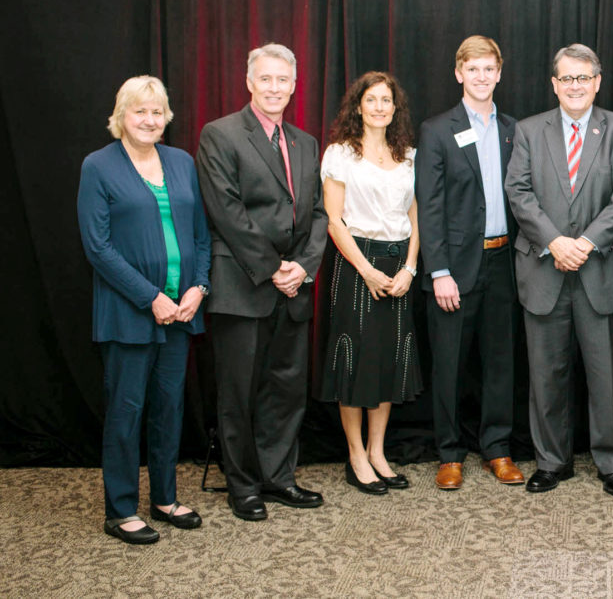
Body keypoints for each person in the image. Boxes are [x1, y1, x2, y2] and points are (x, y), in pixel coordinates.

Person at [504, 43, 613, 496]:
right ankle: (551, 461)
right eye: (567, 78)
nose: (575, 86)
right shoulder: (528, 131)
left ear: (597, 82)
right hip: (544, 269)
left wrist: (583, 243)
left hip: (600, 269)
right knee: (546, 374)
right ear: (554, 84)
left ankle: (612, 462)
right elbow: (519, 192)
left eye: (583, 78)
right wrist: (554, 242)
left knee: (607, 375)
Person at [196, 43, 328, 521]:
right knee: (239, 392)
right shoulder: (221, 135)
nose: (275, 88)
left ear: (294, 85)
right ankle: (244, 486)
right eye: (265, 79)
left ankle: (278, 478)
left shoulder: (305, 142)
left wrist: (303, 267)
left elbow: (318, 214)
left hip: (294, 288)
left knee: (285, 390)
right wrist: (275, 268)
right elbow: (226, 212)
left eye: (283, 80)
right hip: (243, 285)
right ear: (249, 82)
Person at [77, 76, 210, 544]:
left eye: (157, 112)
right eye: (140, 112)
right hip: (130, 311)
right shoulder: (99, 166)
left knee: (169, 407)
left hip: (182, 310)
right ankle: (120, 509)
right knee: (126, 410)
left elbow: (200, 234)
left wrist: (199, 286)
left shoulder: (180, 161)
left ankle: (165, 497)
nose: (150, 120)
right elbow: (97, 247)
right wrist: (150, 297)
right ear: (121, 116)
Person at [416, 36, 524, 490]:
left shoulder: (516, 130)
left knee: (500, 361)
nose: (481, 77)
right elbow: (430, 204)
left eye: (489, 69)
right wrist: (439, 271)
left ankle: (497, 449)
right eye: (472, 69)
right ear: (459, 74)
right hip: (455, 267)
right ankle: (450, 453)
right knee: (449, 362)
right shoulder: (437, 129)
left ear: (499, 74)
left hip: (504, 262)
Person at [320, 71, 423, 495]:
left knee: (388, 360)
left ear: (395, 109)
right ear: (358, 106)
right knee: (354, 358)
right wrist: (365, 268)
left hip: (399, 263)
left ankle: (379, 452)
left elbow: (416, 217)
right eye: (372, 100)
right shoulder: (340, 154)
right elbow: (333, 221)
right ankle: (356, 455)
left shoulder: (408, 154)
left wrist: (410, 268)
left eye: (387, 100)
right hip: (355, 261)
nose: (379, 107)